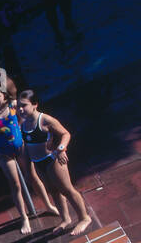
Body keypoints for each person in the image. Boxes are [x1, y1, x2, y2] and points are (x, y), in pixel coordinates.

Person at [16, 90, 92, 235]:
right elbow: (27, 148)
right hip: (38, 163)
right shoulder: (23, 124)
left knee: (67, 190)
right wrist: (27, 170)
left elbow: (65, 134)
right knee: (54, 191)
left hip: (52, 160)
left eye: (24, 106)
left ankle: (84, 218)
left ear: (35, 105)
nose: (20, 109)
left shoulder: (45, 120)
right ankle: (65, 219)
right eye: (18, 106)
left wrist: (61, 149)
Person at [0, 87, 58, 236]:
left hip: (21, 148)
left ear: (4, 96)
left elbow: (27, 106)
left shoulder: (14, 105)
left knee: (33, 177)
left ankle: (48, 205)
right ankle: (24, 218)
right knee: (15, 184)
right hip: (4, 154)